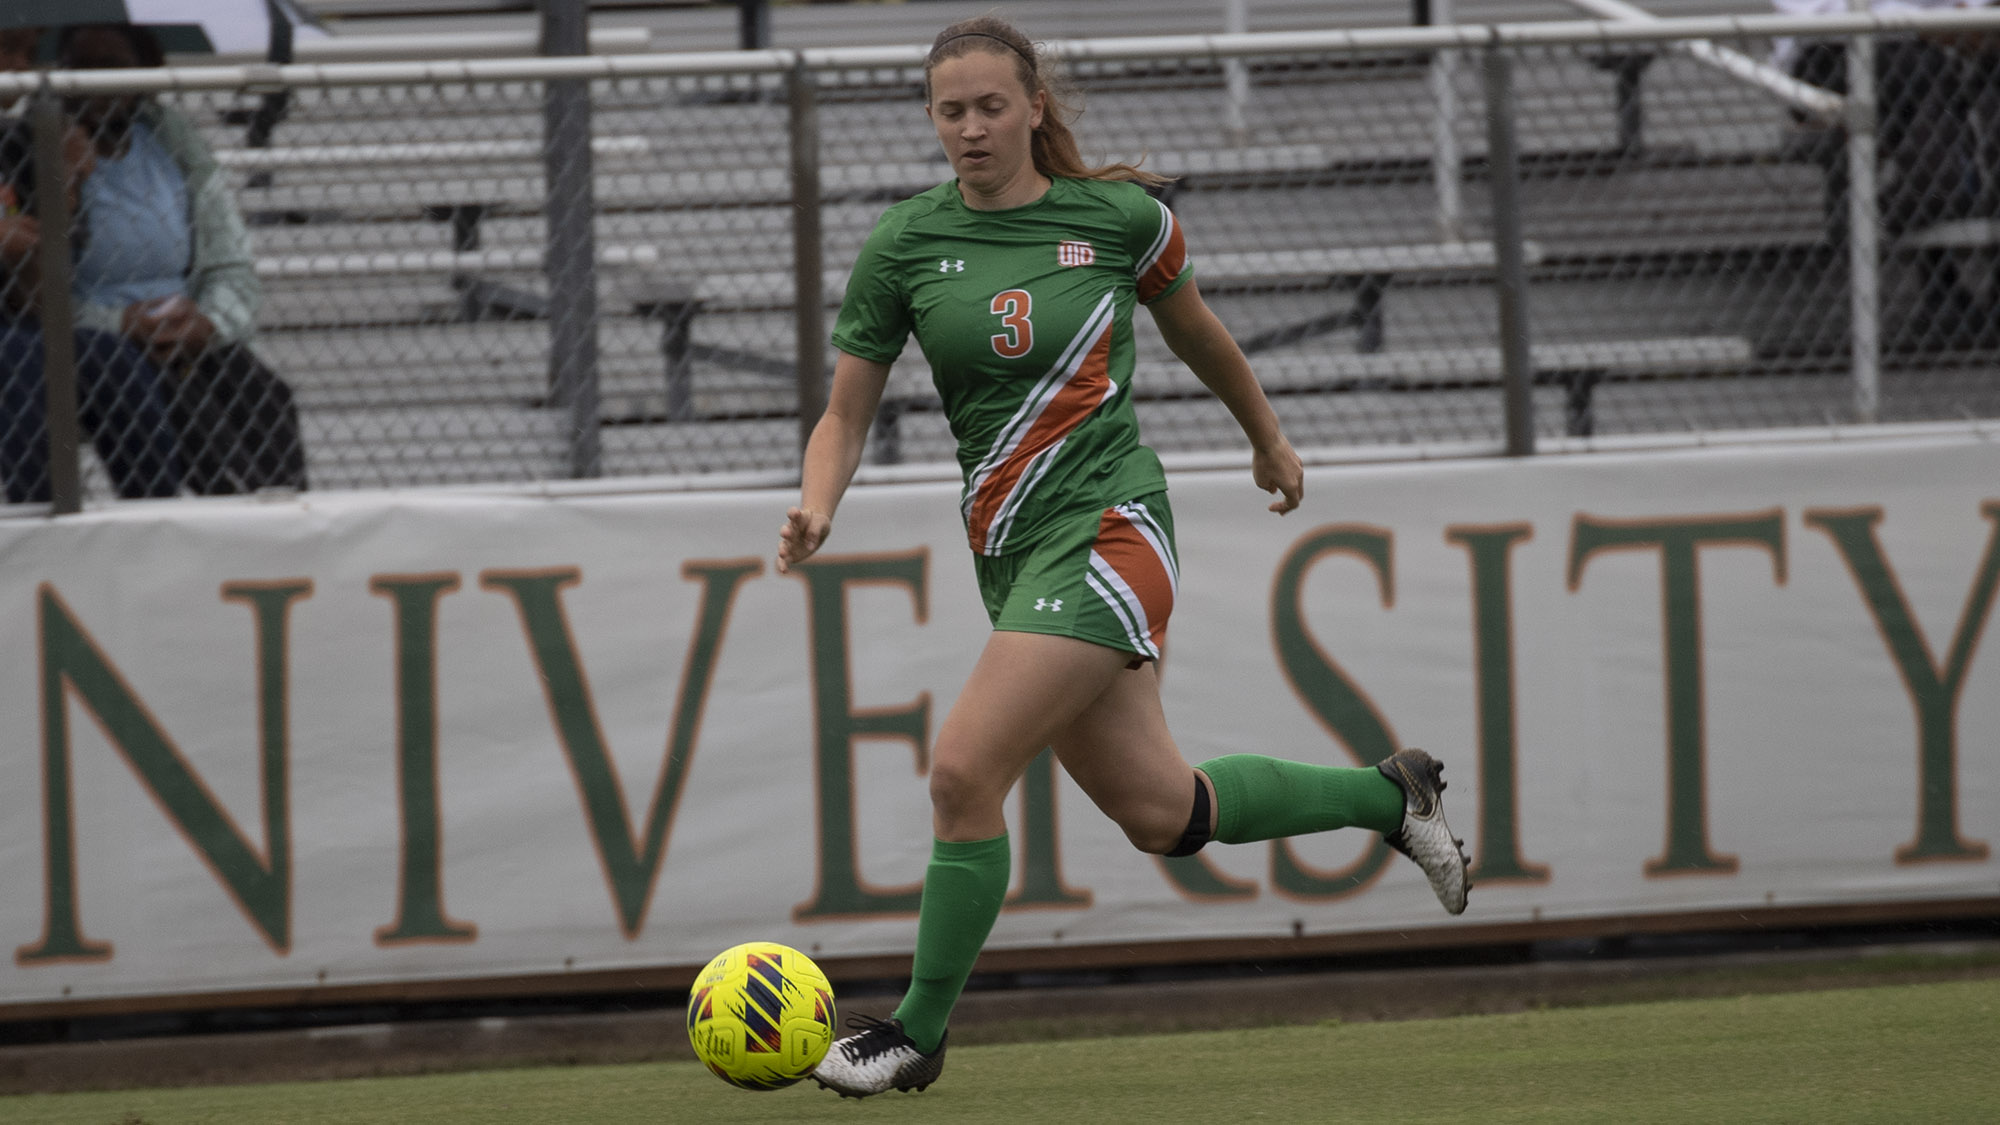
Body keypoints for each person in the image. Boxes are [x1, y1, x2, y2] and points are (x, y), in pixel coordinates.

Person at [776, 17, 1472, 1100]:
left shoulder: (1118, 220)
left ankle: (914, 1033)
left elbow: (1198, 333)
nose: (970, 128)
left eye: (990, 106)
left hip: (1111, 528)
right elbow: (844, 413)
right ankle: (1393, 797)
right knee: (1163, 811)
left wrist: (1267, 437)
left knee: (962, 770)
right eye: (951, 111)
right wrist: (817, 502)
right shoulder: (904, 242)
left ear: (1033, 107)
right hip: (1011, 552)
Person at [58, 23, 306, 495]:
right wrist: (118, 324)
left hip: (181, 328)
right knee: (186, 409)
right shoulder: (37, 148)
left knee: (266, 395)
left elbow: (230, 262)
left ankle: (289, 512)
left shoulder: (170, 140)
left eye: (111, 68)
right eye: (79, 68)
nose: (94, 83)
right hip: (95, 343)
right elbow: (30, 297)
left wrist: (209, 322)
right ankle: (237, 510)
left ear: (146, 74)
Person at [0, 25, 181, 504]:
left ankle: (158, 514)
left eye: (28, 53)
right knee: (24, 359)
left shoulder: (15, 144)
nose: (19, 68)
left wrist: (63, 186)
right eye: (6, 48)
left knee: (110, 357)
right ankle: (42, 517)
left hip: (14, 328)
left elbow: (39, 299)